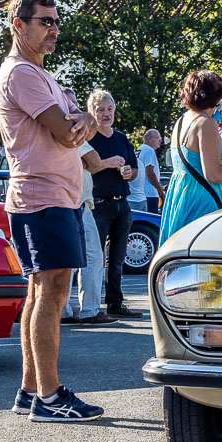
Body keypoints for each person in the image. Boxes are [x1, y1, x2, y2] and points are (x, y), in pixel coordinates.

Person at [0, 0, 104, 422]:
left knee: (41, 292)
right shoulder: (21, 73)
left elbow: (82, 127)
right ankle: (51, 396)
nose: (54, 29)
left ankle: (29, 390)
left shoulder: (41, 75)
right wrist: (85, 121)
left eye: (56, 21)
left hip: (49, 197)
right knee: (53, 292)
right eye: (44, 21)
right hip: (42, 198)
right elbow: (68, 134)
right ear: (17, 25)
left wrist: (86, 119)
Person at [159, 70, 222, 247]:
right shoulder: (205, 124)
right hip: (203, 203)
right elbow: (213, 174)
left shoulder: (181, 121)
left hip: (181, 197)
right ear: (215, 96)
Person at [85, 90, 141, 320]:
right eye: (101, 110)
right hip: (98, 203)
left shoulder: (121, 138)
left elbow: (135, 170)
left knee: (117, 259)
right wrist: (106, 163)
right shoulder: (87, 138)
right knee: (94, 258)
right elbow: (84, 168)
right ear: (92, 112)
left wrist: (129, 172)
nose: (106, 114)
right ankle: (91, 306)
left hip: (122, 203)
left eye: (109, 109)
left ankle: (115, 303)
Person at [62, 138, 114, 326]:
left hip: (68, 200)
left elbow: (92, 163)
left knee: (66, 259)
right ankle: (90, 310)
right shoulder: (70, 130)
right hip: (77, 201)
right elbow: (95, 161)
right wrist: (81, 162)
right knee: (91, 257)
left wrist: (81, 162)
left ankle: (63, 310)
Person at [138, 128, 165, 214]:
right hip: (150, 194)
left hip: (140, 193)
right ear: (149, 139)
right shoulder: (149, 150)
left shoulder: (140, 149)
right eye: (158, 138)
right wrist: (159, 188)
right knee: (151, 221)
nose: (160, 141)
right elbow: (149, 172)